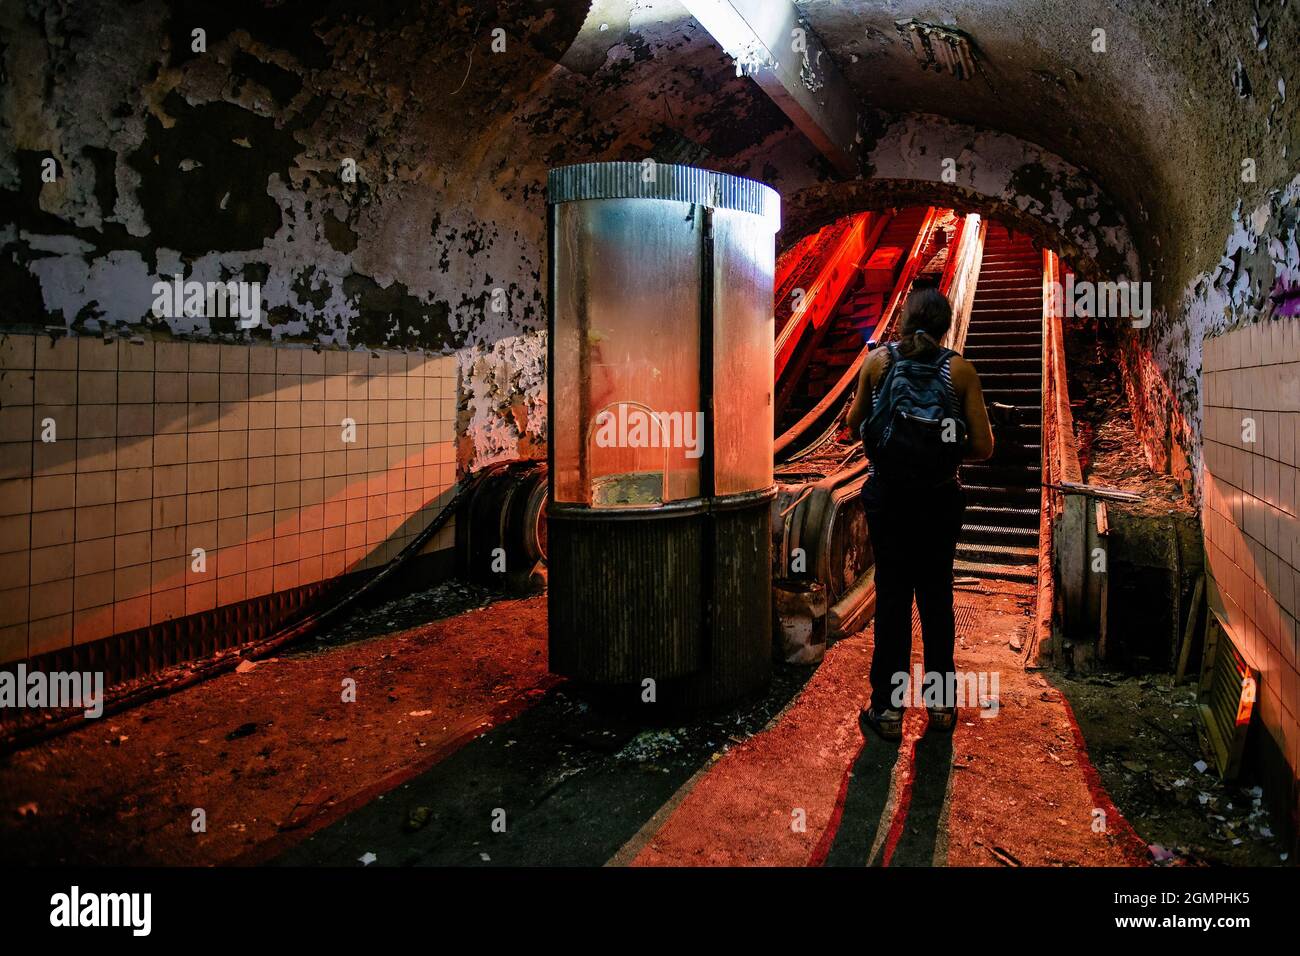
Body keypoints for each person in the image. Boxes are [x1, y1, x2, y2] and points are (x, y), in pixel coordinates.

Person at [845, 287, 994, 741]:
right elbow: (985, 446)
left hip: (888, 498)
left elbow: (854, 427)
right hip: (938, 498)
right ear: (946, 325)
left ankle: (888, 711)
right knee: (936, 598)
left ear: (905, 321)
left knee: (892, 598)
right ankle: (942, 707)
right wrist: (942, 448)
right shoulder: (960, 370)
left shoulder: (877, 364)